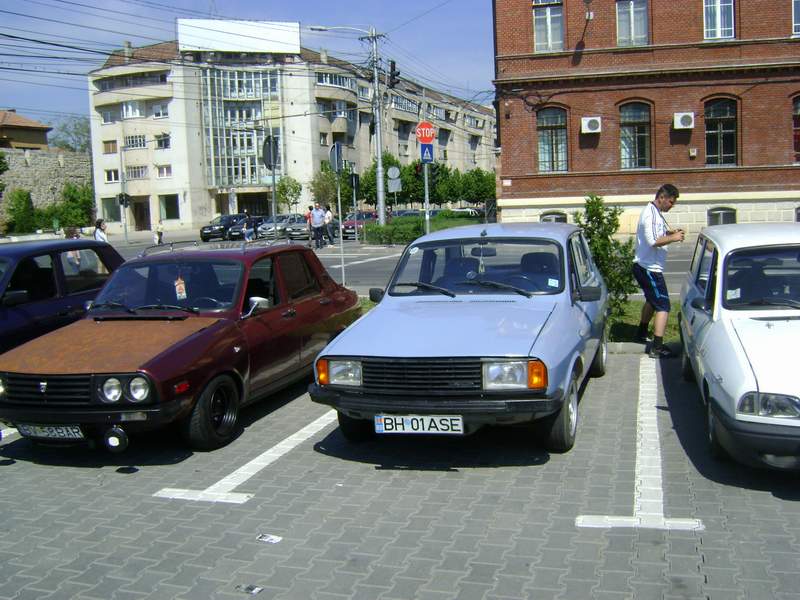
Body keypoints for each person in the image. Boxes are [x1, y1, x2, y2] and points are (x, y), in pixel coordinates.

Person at [632, 184, 685, 358]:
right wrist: (674, 237)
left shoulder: (654, 212)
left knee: (651, 300)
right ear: (661, 197)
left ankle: (641, 333)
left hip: (645, 267)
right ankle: (657, 347)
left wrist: (669, 232)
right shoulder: (651, 215)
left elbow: (656, 232)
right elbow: (653, 240)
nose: (672, 205)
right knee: (663, 306)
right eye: (671, 201)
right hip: (650, 269)